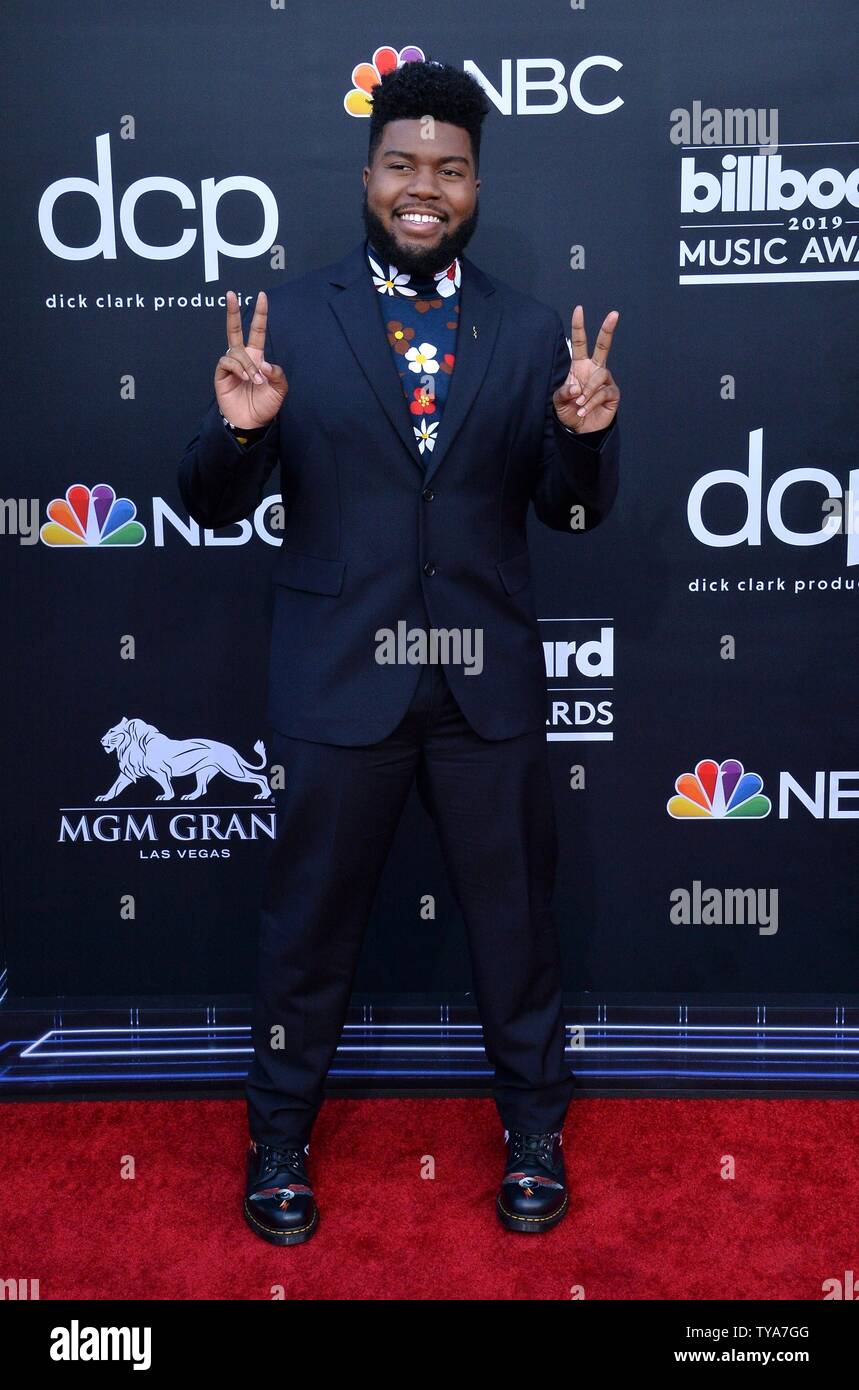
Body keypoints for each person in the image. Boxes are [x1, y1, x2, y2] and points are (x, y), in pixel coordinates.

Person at [178, 58, 621, 1245]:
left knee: (516, 928)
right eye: (403, 165)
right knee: (306, 930)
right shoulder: (290, 322)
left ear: (476, 184)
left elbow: (572, 518)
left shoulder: (532, 334)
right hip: (338, 679)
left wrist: (584, 442)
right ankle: (277, 1141)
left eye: (452, 170)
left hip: (485, 687)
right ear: (367, 172)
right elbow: (217, 508)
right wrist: (236, 432)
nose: (425, 189)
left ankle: (533, 1129)